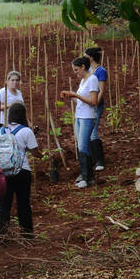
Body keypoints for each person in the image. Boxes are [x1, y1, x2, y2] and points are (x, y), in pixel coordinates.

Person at [0, 103, 39, 237]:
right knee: (23, 202)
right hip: (22, 169)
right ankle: (27, 233)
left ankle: (3, 233)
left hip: (4, 170)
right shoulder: (26, 131)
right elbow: (34, 151)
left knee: (5, 203)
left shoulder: (2, 131)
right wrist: (43, 156)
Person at [60, 56, 101, 189]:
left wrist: (76, 95)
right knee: (81, 146)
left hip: (88, 117)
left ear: (83, 67)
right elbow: (81, 102)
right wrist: (71, 97)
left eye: (76, 69)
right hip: (80, 116)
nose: (75, 72)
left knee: (83, 146)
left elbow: (94, 102)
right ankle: (87, 176)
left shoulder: (93, 79)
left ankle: (87, 177)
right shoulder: (83, 81)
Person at [83, 47, 108, 171]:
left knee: (93, 131)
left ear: (91, 57)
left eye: (85, 55)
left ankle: (99, 160)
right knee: (88, 132)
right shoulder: (87, 70)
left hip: (96, 105)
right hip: (87, 105)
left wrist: (95, 103)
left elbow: (102, 90)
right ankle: (93, 159)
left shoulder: (101, 71)